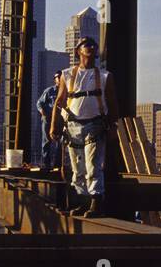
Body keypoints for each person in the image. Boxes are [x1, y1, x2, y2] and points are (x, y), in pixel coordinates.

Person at [49, 36, 117, 217]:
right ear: (78, 50)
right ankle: (82, 201)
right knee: (78, 167)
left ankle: (96, 203)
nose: (90, 48)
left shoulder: (104, 76)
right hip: (72, 127)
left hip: (95, 124)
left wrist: (113, 127)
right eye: (86, 45)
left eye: (92, 45)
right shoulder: (67, 75)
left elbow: (112, 103)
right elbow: (59, 102)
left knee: (93, 164)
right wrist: (54, 126)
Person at [35, 78, 61, 171]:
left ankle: (58, 164)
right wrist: (42, 112)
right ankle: (46, 164)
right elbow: (39, 103)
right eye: (58, 77)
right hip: (48, 119)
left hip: (59, 120)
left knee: (60, 142)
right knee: (46, 141)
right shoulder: (49, 91)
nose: (60, 79)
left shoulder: (65, 91)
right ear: (55, 79)